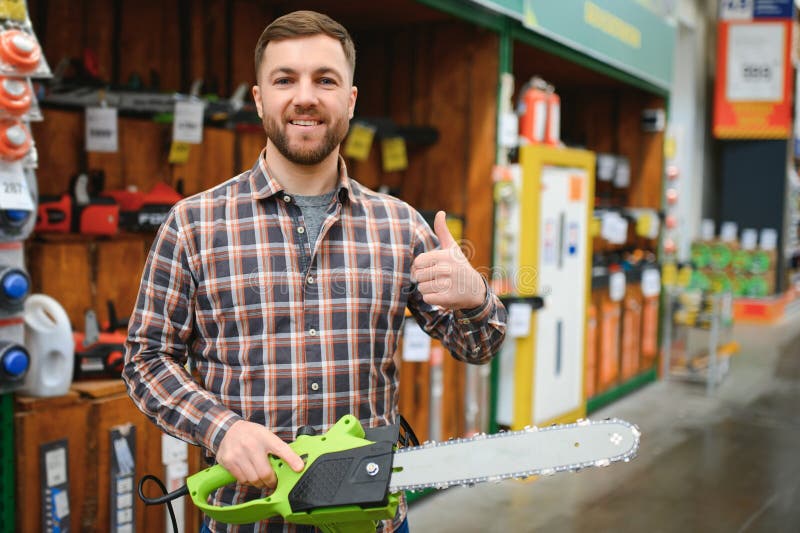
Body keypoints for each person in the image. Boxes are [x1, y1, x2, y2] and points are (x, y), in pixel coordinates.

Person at [123, 10, 507, 533]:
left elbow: (479, 347)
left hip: (371, 520)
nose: (305, 97)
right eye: (285, 80)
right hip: (249, 521)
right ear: (260, 98)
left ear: (350, 100)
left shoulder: (400, 226)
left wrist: (476, 298)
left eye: (325, 80)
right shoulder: (193, 224)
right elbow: (146, 360)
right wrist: (221, 429)